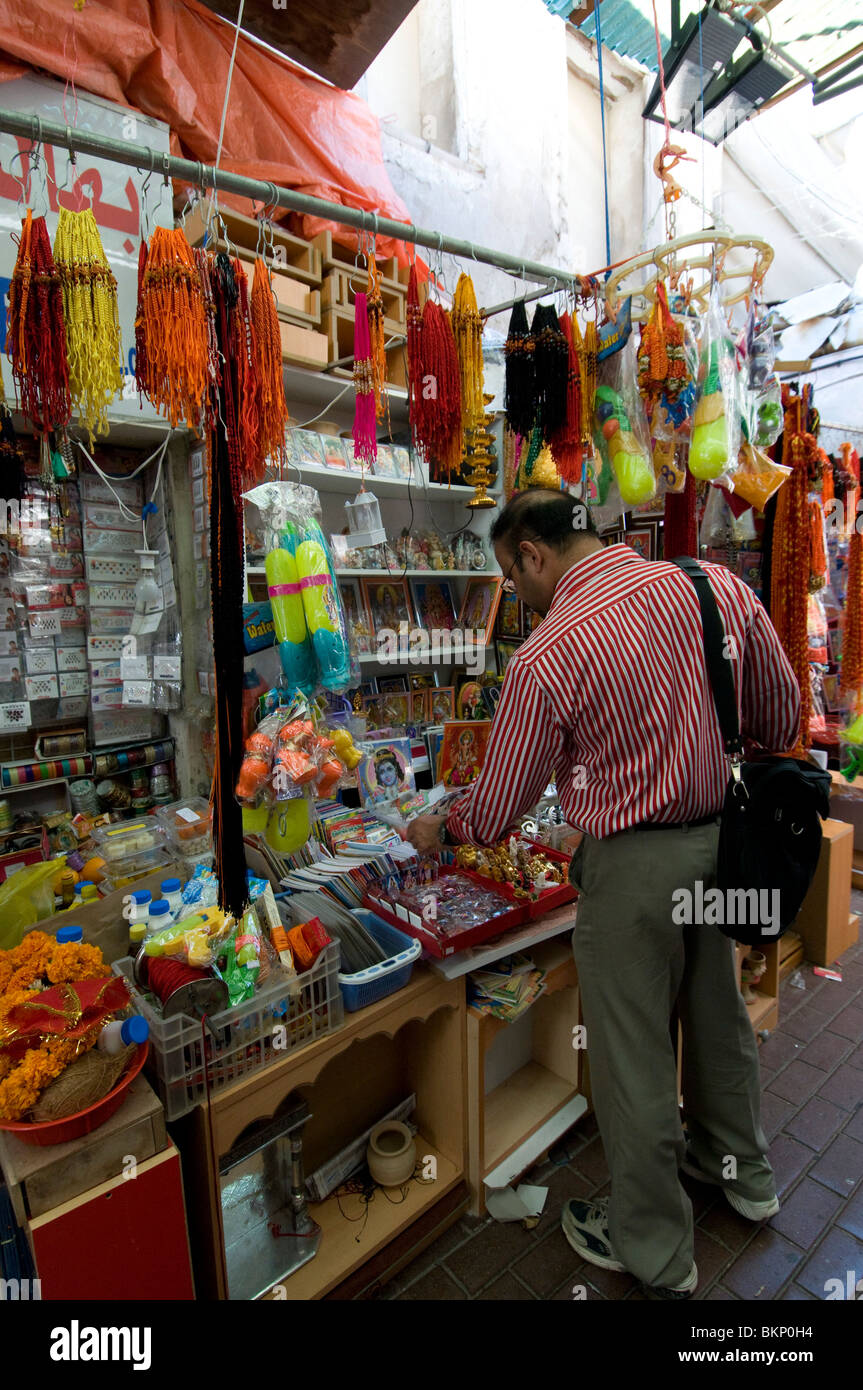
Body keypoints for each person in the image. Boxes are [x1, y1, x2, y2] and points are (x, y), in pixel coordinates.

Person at [407, 487, 800, 1299]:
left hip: (631, 873)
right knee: (718, 1014)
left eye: (512, 577)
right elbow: (780, 712)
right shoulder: (712, 587)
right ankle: (743, 1175)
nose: (517, 594)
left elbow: (497, 809)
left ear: (531, 554)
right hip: (723, 847)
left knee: (633, 1056)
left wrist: (440, 827)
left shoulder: (548, 653)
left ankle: (655, 1249)